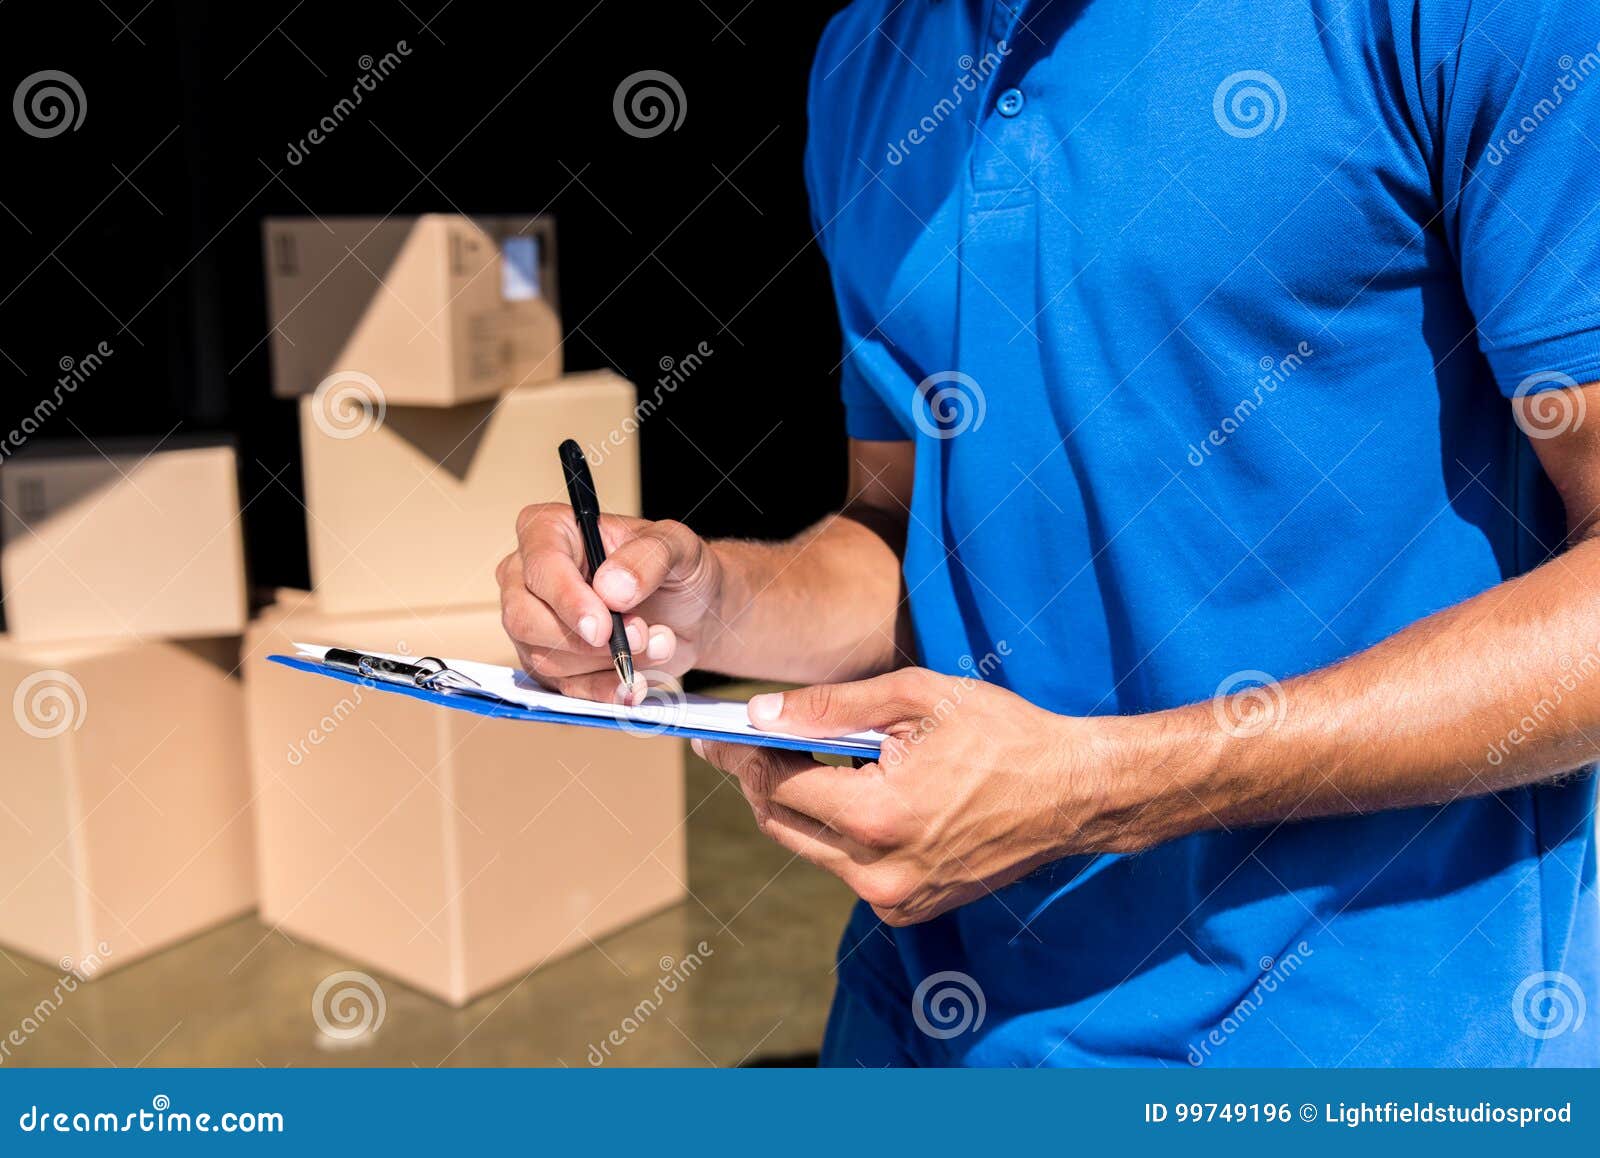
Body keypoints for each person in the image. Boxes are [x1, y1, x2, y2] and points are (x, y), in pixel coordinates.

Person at [499, 0, 1600, 1065]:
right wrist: (713, 605)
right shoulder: (865, 55)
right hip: (922, 1019)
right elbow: (903, 531)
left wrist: (1095, 787)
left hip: (1351, 1044)